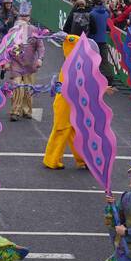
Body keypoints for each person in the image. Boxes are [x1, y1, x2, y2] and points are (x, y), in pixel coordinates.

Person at [43, 34, 89, 171]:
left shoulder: (73, 65)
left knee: (74, 131)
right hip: (65, 104)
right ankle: (51, 160)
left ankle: (82, 159)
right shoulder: (72, 66)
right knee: (61, 129)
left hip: (71, 103)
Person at [4, 2, 45, 121]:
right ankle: (15, 111)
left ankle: (27, 110)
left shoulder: (34, 30)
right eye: (21, 16)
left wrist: (39, 59)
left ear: (29, 18)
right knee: (17, 86)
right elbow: (7, 47)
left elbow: (40, 47)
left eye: (25, 16)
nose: (23, 18)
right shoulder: (12, 31)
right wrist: (6, 61)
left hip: (30, 65)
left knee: (28, 88)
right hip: (16, 64)